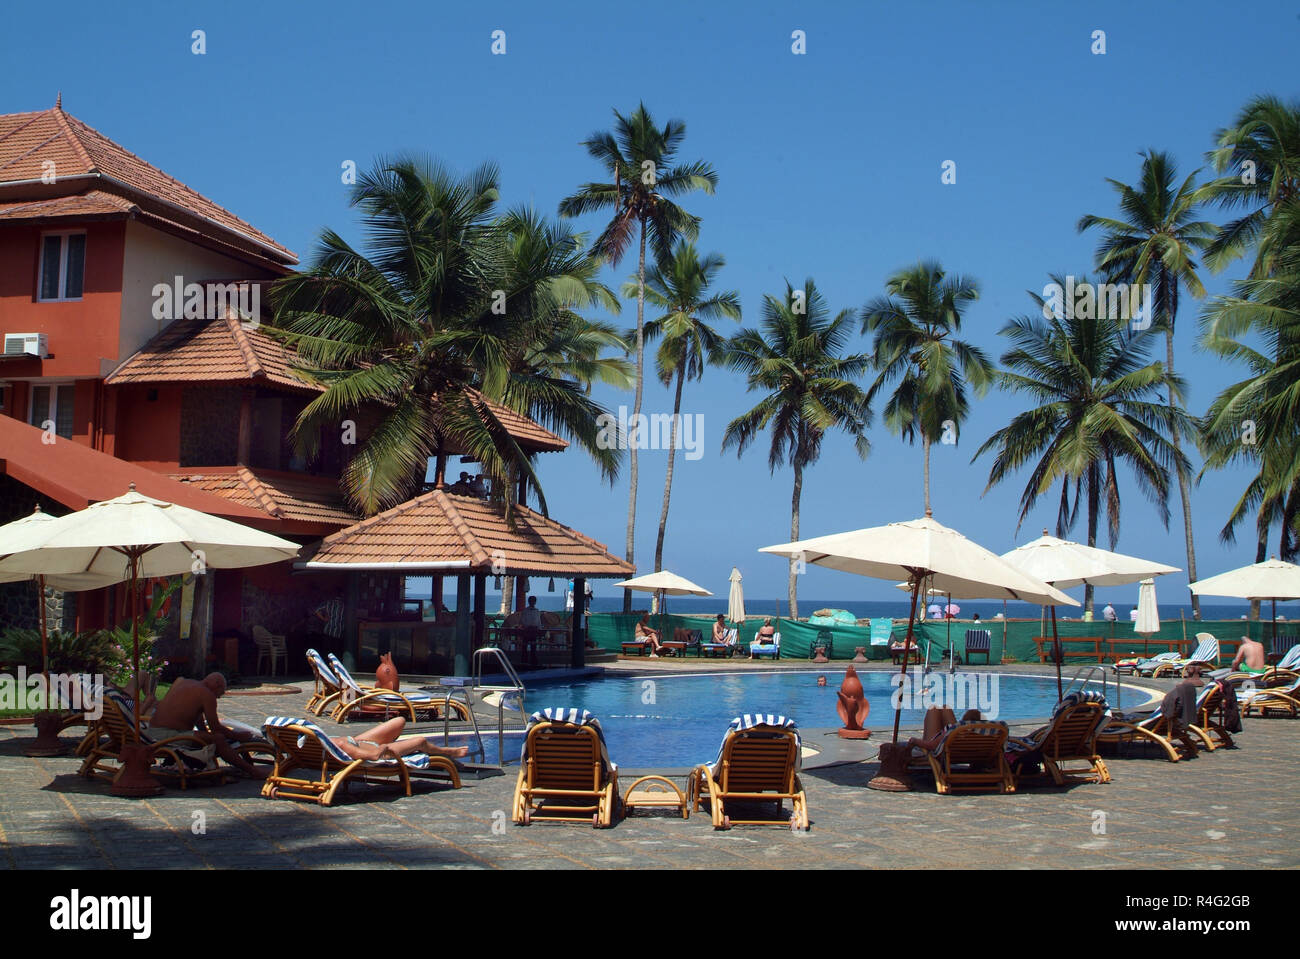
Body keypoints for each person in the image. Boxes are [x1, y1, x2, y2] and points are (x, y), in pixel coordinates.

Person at [149, 673, 267, 779]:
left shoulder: (181, 681)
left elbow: (199, 721)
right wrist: (238, 736)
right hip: (169, 737)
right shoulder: (207, 694)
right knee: (219, 739)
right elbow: (215, 728)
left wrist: (208, 736)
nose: (218, 697)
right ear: (217, 685)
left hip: (152, 733)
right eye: (220, 694)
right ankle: (252, 771)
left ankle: (246, 765)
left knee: (214, 738)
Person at [330, 716, 469, 761]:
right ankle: (448, 751)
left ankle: (403, 747)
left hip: (359, 742)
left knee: (400, 721)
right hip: (380, 751)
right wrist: (385, 746)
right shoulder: (341, 745)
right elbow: (374, 756)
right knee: (420, 741)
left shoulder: (322, 742)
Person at [907, 707, 982, 752]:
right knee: (945, 708)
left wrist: (914, 740)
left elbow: (931, 746)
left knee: (933, 709)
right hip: (962, 751)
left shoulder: (956, 732)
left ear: (964, 721)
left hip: (944, 750)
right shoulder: (985, 734)